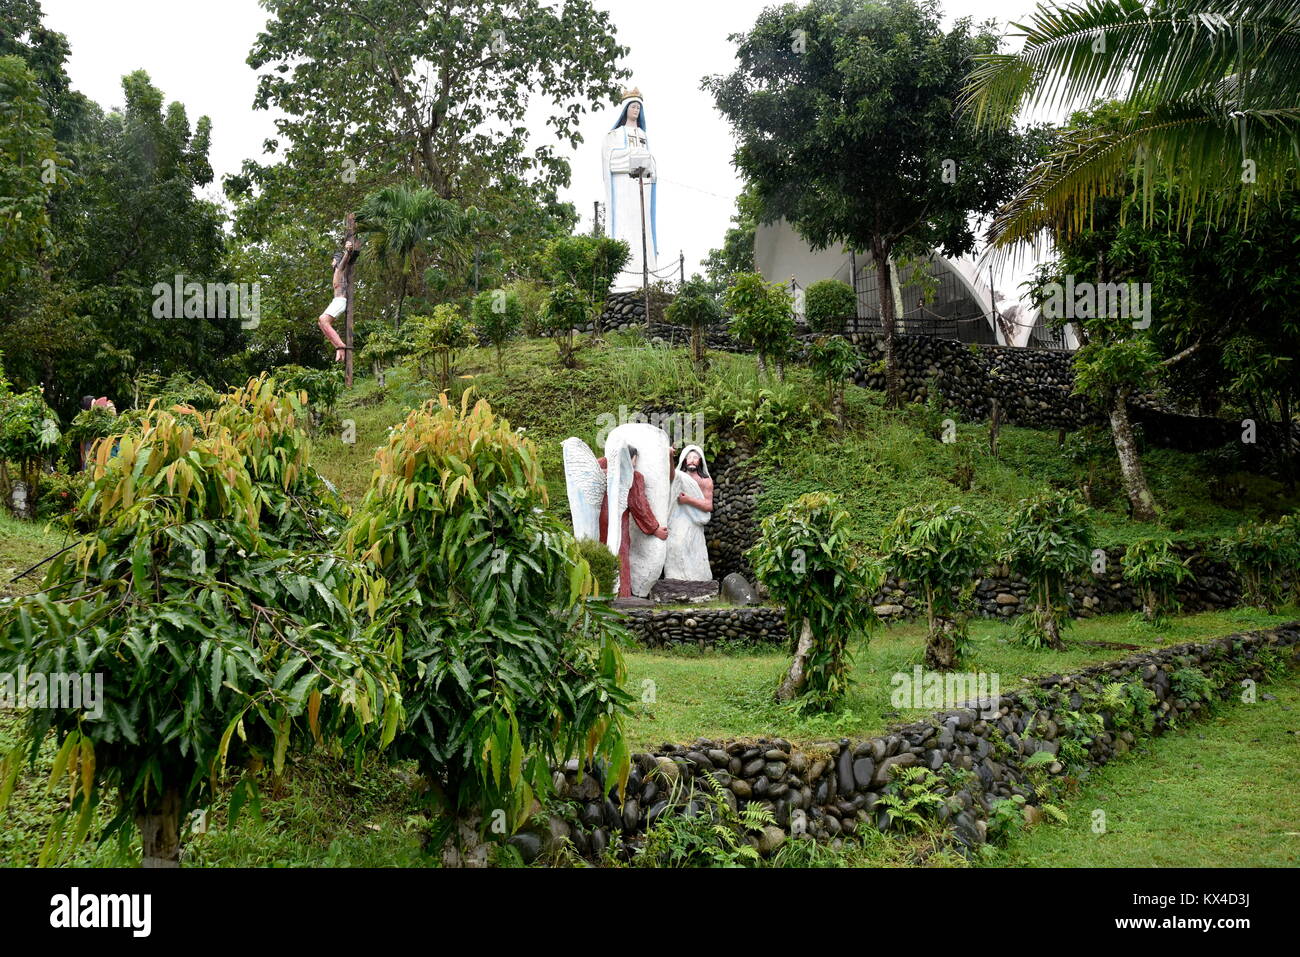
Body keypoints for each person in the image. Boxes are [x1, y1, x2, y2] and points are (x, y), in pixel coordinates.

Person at [601, 89, 658, 291]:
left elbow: (650, 161)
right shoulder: (614, 135)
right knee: (626, 229)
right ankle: (623, 278)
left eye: (638, 107)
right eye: (633, 106)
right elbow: (610, 160)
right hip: (623, 190)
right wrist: (632, 156)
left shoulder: (643, 135)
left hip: (642, 189)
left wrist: (647, 161)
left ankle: (648, 275)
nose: (635, 110)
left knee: (643, 227)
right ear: (625, 109)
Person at [598, 444, 668, 598]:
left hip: (596, 521)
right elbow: (639, 506)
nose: (635, 464)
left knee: (597, 553)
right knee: (620, 553)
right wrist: (654, 528)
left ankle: (596, 593)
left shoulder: (597, 470)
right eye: (634, 460)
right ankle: (621, 594)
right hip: (618, 524)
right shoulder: (632, 476)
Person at [664, 445, 714, 581]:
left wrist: (688, 500)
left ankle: (697, 579)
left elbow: (708, 505)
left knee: (692, 548)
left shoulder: (706, 481)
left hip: (693, 520)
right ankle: (674, 578)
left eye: (695, 457)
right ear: (684, 460)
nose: (692, 460)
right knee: (674, 545)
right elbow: (671, 476)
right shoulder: (680, 476)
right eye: (689, 457)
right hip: (677, 517)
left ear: (700, 461)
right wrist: (670, 456)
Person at [318, 239, 356, 362]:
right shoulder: (336, 272)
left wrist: (348, 250)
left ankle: (341, 345)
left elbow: (345, 260)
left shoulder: (339, 269)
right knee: (321, 323)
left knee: (323, 320)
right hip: (336, 300)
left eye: (333, 259)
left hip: (340, 301)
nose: (331, 262)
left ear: (337, 261)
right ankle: (338, 348)